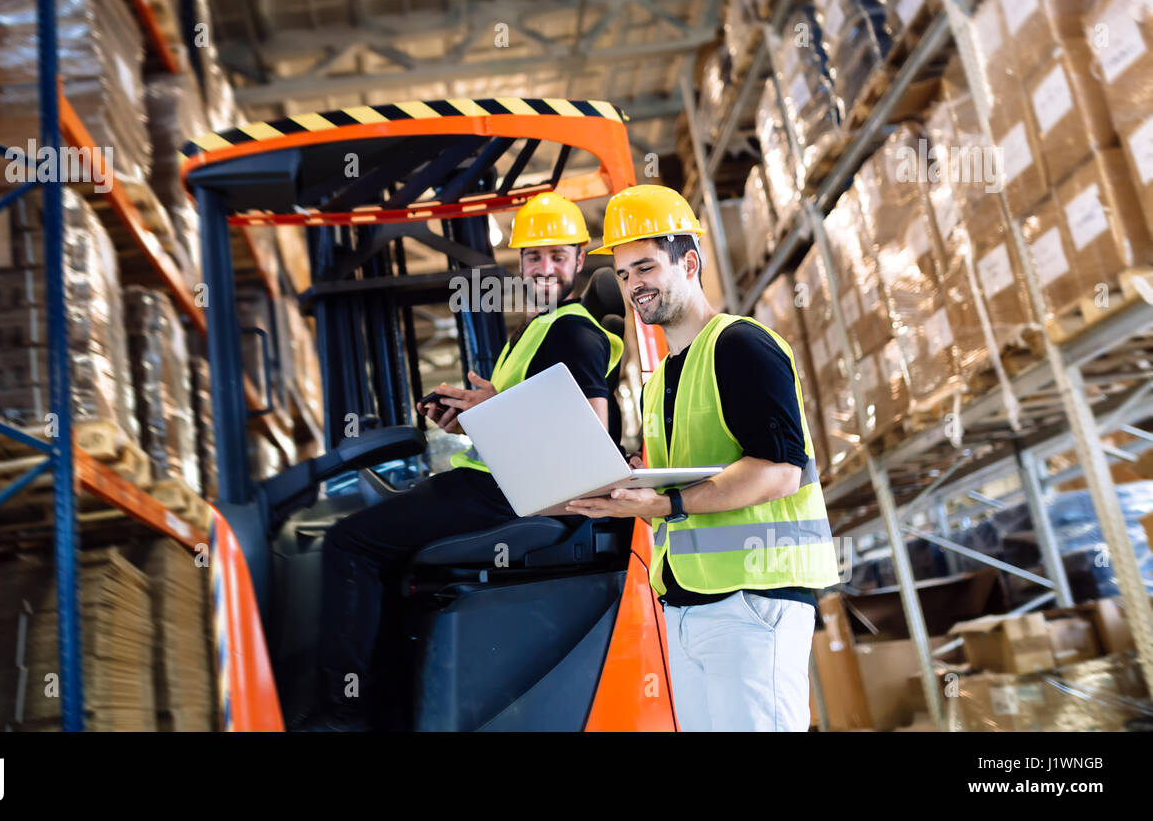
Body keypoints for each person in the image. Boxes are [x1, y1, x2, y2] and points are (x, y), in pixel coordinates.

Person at [302, 191, 623, 730]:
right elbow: (524, 420)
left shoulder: (574, 330)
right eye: (533, 257)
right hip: (502, 481)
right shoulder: (535, 331)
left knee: (348, 542)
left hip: (507, 494)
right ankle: (387, 707)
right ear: (519, 263)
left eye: (557, 256)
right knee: (387, 554)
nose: (544, 267)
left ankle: (343, 714)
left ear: (579, 257)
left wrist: (493, 409)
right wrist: (468, 416)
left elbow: (590, 440)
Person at [567, 184, 838, 732]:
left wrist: (666, 505)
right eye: (622, 275)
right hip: (688, 607)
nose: (633, 286)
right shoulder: (660, 378)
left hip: (755, 601)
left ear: (689, 262)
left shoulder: (740, 346)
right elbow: (678, 483)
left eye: (644, 268)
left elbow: (780, 469)